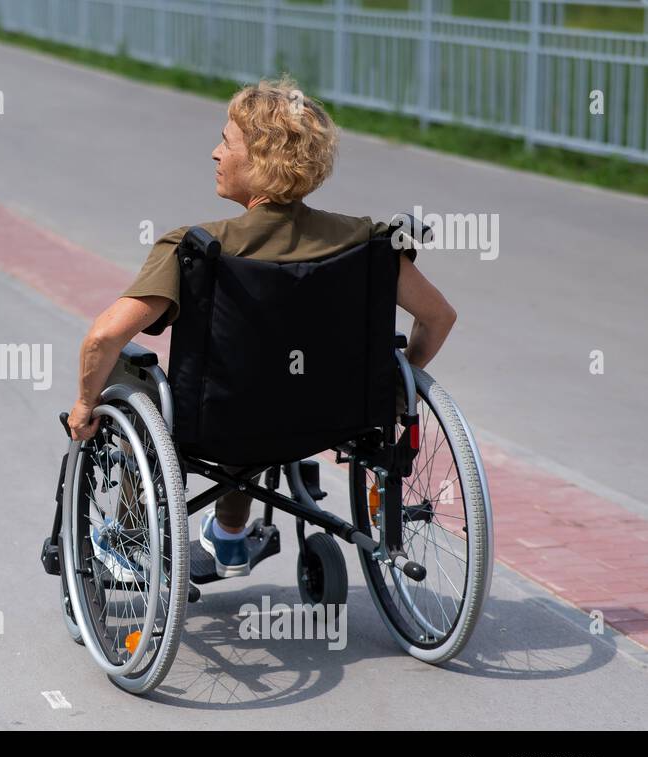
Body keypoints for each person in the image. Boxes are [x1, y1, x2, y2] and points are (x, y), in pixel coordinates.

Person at [65, 76, 457, 578]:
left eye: (226, 143)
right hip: (336, 418)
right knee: (255, 402)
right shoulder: (367, 244)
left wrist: (82, 404)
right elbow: (439, 316)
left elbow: (102, 337)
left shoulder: (197, 247)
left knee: (131, 376)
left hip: (221, 424)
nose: (214, 153)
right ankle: (229, 538)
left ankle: (131, 534)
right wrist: (398, 384)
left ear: (262, 161)